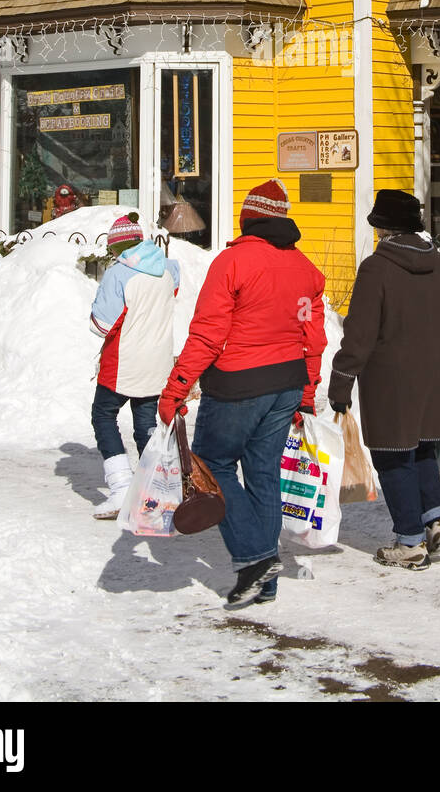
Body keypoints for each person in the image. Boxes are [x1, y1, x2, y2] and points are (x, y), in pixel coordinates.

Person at [158, 179, 326, 610]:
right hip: (286, 384)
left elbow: (208, 335)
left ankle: (255, 560)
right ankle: (264, 581)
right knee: (264, 475)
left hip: (238, 384)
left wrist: (176, 388)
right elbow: (314, 336)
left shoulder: (232, 262)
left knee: (213, 464)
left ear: (248, 219)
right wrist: (306, 390)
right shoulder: (305, 269)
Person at [327, 189, 440, 570]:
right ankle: (435, 523)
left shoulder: (377, 268)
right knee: (424, 450)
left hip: (394, 380)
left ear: (384, 230)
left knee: (393, 456)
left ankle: (409, 541)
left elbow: (359, 334)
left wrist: (340, 383)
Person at [89, 210, 180, 519]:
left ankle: (120, 488)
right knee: (146, 425)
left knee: (103, 415)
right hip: (158, 364)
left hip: (123, 363)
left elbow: (102, 324)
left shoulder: (119, 274)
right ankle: (155, 490)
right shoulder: (169, 269)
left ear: (118, 248)